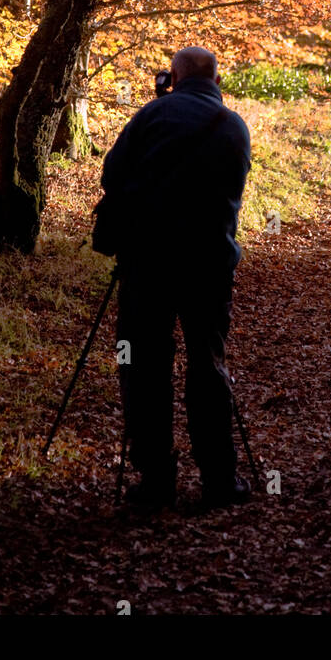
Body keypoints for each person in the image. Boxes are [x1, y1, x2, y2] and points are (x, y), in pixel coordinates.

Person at [98, 46, 252, 513]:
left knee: (144, 365)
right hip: (208, 266)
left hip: (149, 262)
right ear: (216, 79)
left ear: (177, 75)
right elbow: (235, 188)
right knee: (208, 364)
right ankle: (219, 480)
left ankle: (156, 479)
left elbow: (111, 175)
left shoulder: (152, 115)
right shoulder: (234, 126)